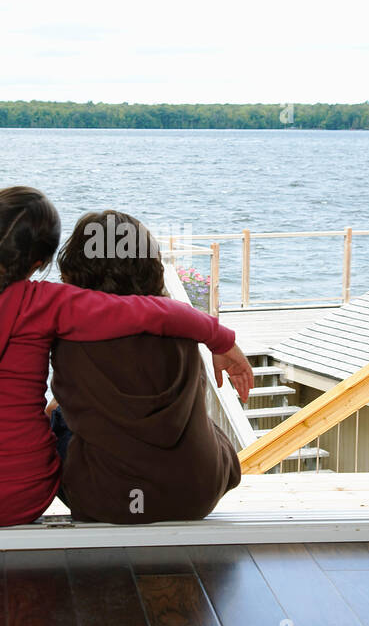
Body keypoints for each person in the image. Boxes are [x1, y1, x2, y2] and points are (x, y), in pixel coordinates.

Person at [0, 186, 252, 528]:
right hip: (28, 496)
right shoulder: (44, 303)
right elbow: (148, 313)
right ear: (40, 262)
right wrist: (220, 340)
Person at [49, 209, 244, 524]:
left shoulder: (68, 335)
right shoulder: (183, 328)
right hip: (195, 494)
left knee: (54, 419)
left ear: (74, 270)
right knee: (204, 426)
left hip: (104, 499)